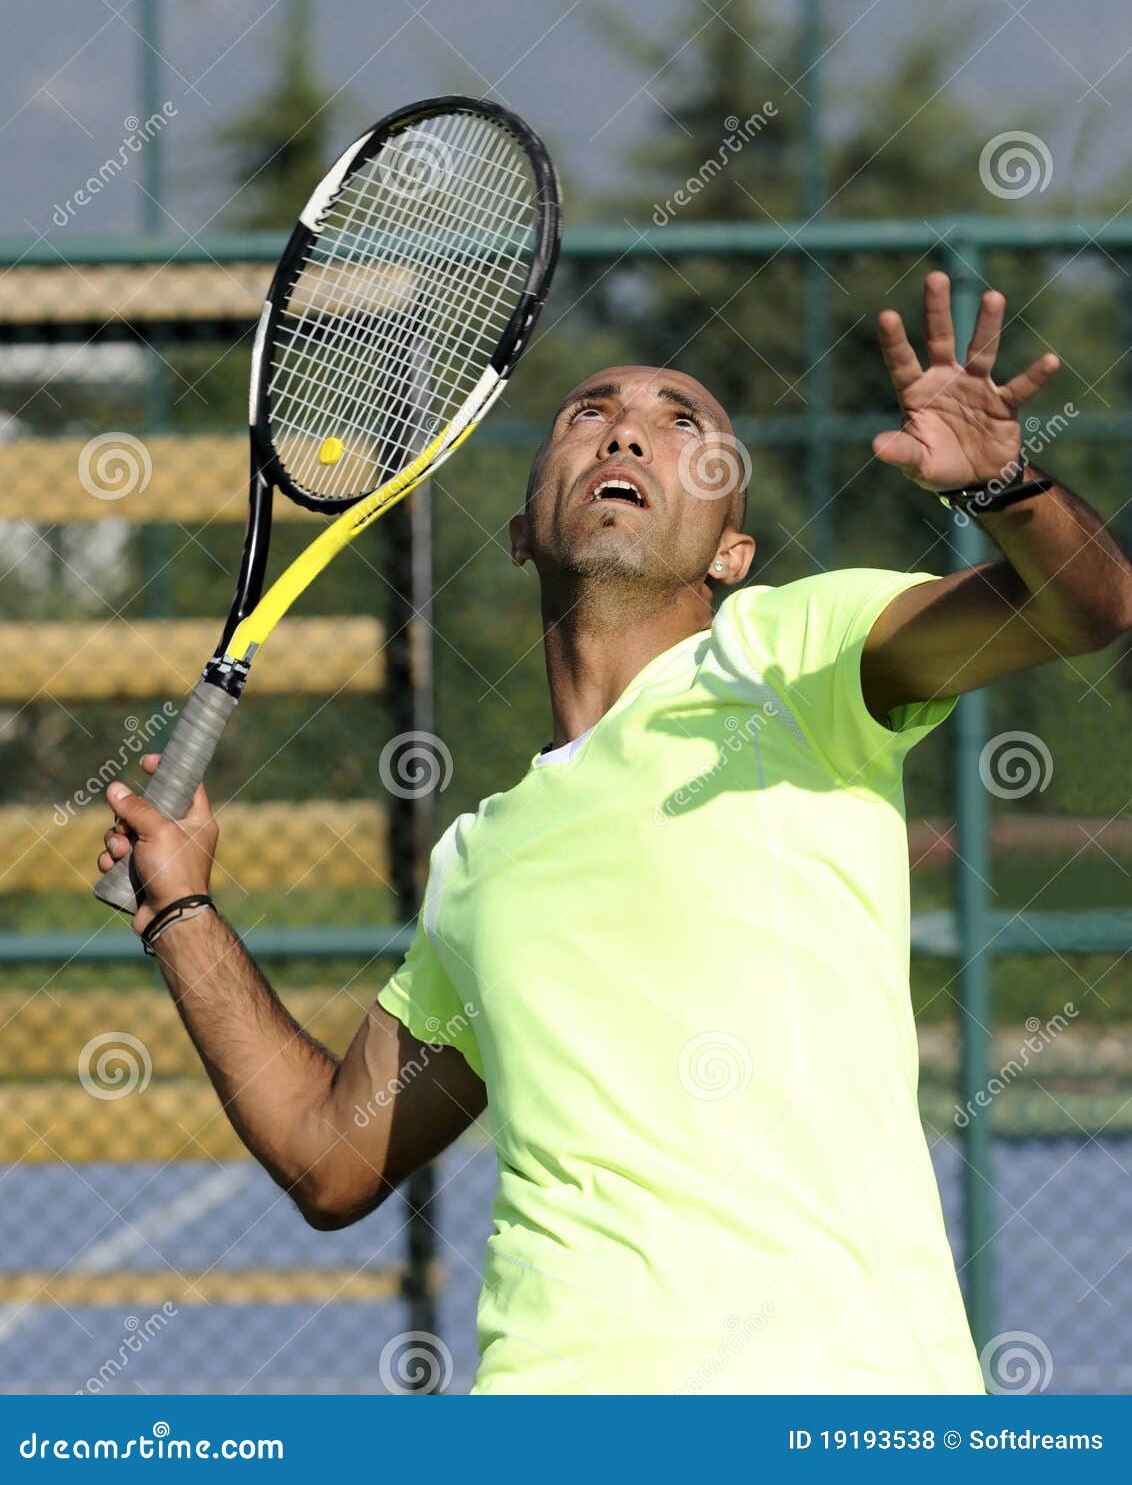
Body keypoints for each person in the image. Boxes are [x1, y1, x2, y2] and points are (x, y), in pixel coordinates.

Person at [101, 274, 1132, 1393]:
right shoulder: (477, 860)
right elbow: (328, 1156)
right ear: (519, 527)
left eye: (682, 421)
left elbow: (1082, 609)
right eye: (588, 412)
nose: (629, 429)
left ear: (732, 553)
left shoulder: (795, 654)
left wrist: (1005, 487)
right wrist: (181, 909)